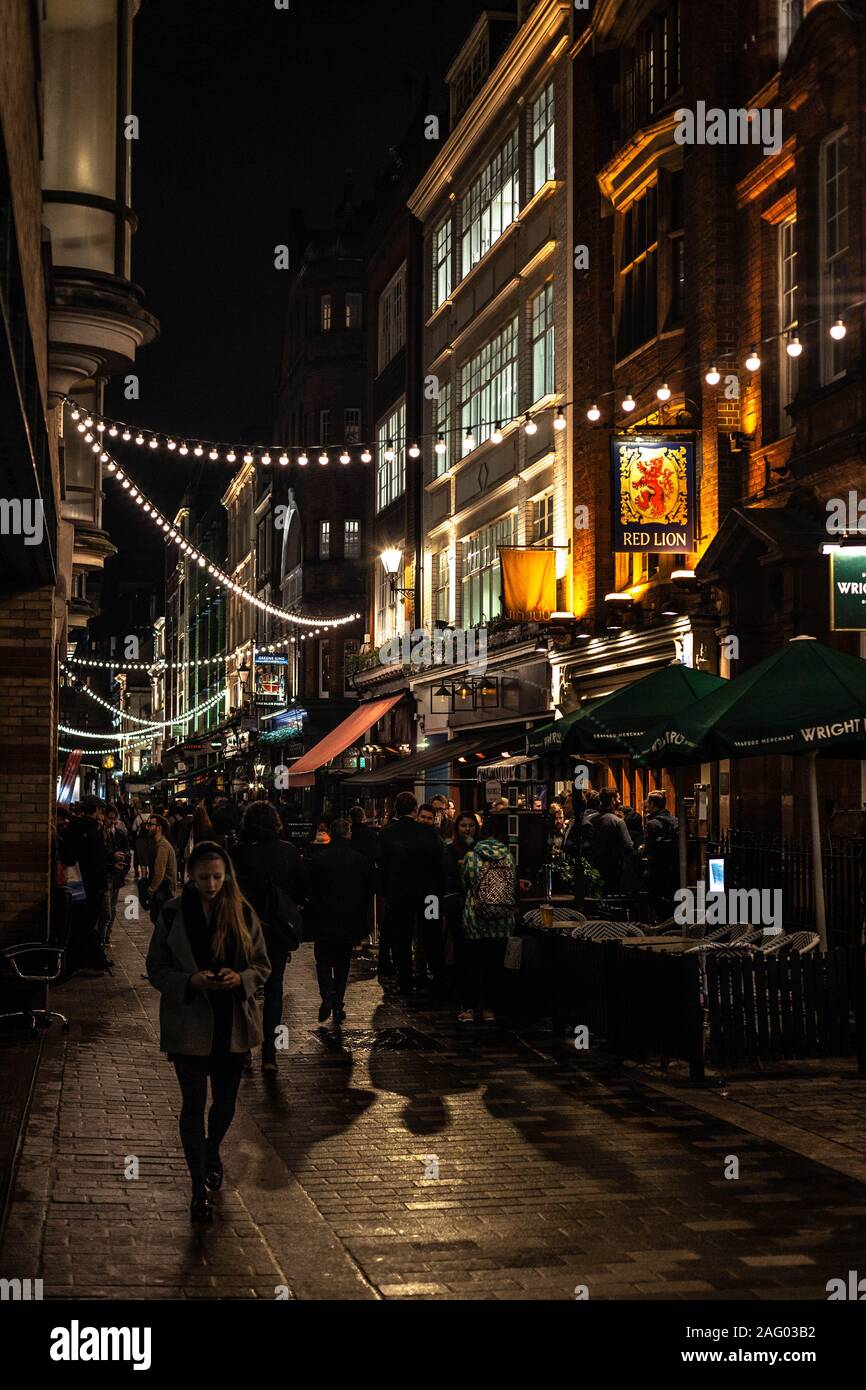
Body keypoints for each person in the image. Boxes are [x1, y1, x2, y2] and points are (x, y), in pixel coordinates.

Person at [145, 840, 270, 1224]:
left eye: (217, 877)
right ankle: (198, 1188)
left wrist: (241, 978)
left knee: (226, 1104)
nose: (211, 884)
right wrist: (190, 980)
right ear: (190, 876)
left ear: (226, 874)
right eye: (203, 877)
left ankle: (211, 1148)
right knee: (193, 1104)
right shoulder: (172, 914)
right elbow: (156, 968)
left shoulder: (242, 911)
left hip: (231, 1023)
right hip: (190, 1023)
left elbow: (262, 965)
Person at [231, 801, 309, 1073]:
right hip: (276, 931)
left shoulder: (239, 852)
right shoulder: (288, 851)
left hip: (245, 929)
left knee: (246, 988)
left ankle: (244, 1049)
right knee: (274, 989)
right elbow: (302, 890)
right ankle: (269, 1054)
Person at [376, 791, 446, 997]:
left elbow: (383, 865)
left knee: (402, 939)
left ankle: (405, 981)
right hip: (429, 895)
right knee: (432, 936)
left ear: (396, 810)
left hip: (400, 895)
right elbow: (439, 866)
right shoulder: (428, 832)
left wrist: (386, 892)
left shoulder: (388, 834)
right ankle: (439, 980)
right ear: (415, 810)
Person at [305, 818, 373, 1024]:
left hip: (323, 918)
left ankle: (327, 994)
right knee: (342, 963)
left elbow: (310, 889)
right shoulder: (359, 859)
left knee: (323, 961)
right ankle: (338, 1003)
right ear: (348, 833)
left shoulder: (318, 859)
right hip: (348, 918)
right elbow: (368, 889)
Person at [459, 815, 518, 1022]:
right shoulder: (509, 857)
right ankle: (490, 1009)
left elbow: (465, 885)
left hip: (476, 919)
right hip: (502, 921)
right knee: (495, 967)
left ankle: (469, 1009)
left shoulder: (471, 856)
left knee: (473, 966)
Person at [60, 795, 114, 973]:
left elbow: (69, 855)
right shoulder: (94, 830)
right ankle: (82, 961)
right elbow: (97, 860)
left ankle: (86, 960)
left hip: (75, 883)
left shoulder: (73, 827)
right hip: (92, 884)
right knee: (87, 923)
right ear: (97, 810)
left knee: (79, 922)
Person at [641, 789, 679, 919]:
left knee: (657, 904)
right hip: (674, 870)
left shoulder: (652, 824)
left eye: (647, 801)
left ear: (653, 804)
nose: (645, 804)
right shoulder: (675, 821)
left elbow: (648, 849)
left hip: (657, 870)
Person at [103, 805, 131, 942]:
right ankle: (102, 937)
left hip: (117, 875)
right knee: (106, 909)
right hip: (106, 875)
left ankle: (107, 934)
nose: (112, 821)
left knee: (112, 907)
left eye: (114, 819)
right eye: (110, 818)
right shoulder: (101, 833)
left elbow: (127, 851)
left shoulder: (120, 833)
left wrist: (122, 862)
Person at [145, 815, 178, 923]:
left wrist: (150, 890)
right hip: (163, 891)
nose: (147, 827)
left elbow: (159, 872)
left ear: (158, 828)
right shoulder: (158, 844)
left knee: (160, 923)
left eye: (150, 825)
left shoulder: (162, 846)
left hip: (164, 892)